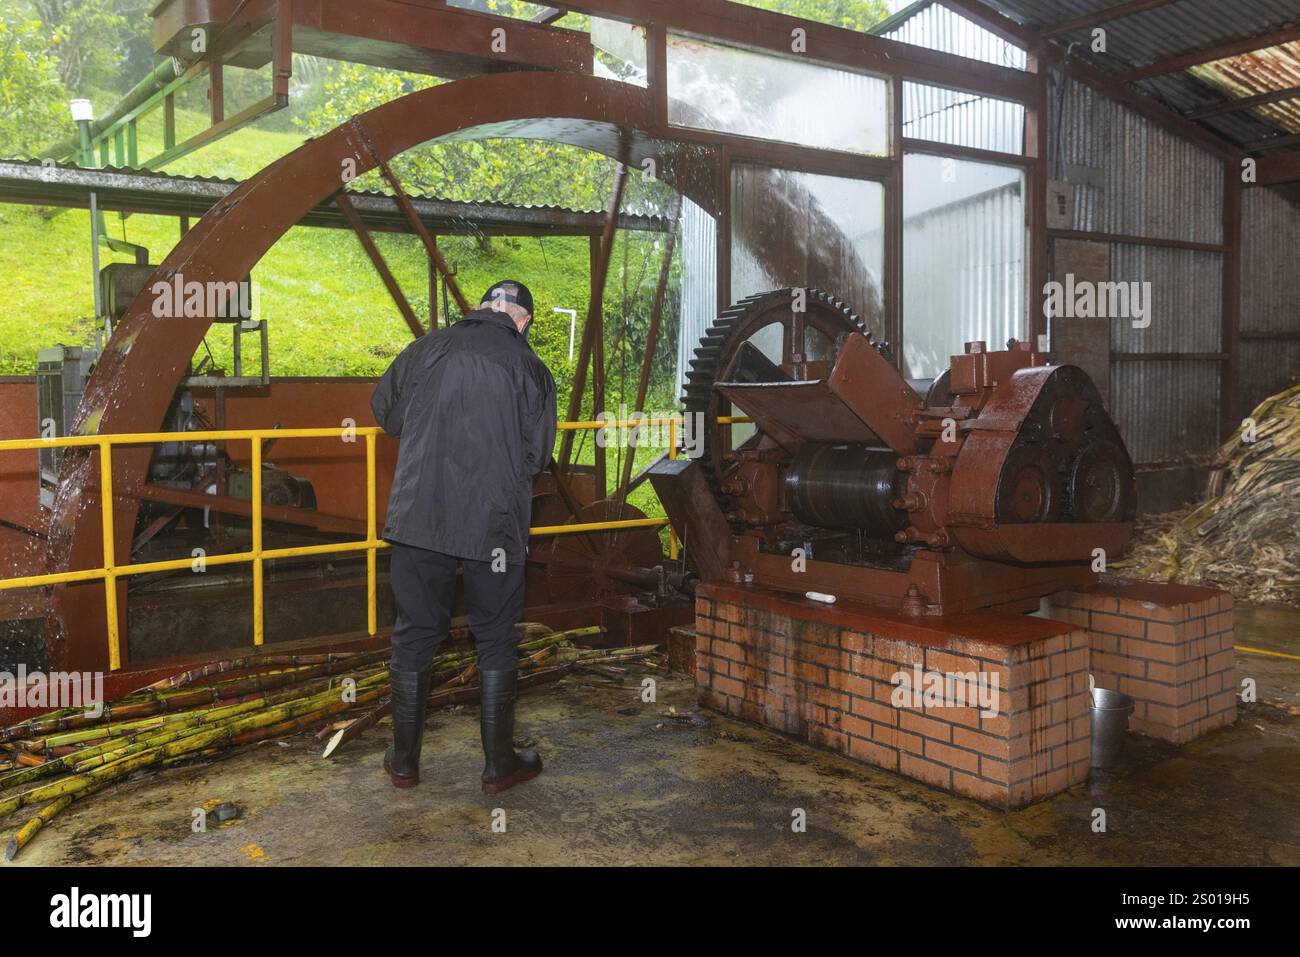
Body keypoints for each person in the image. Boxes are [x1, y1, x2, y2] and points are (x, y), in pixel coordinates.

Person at [371, 280, 556, 794]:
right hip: (492, 529)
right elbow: (537, 457)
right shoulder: (530, 369)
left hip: (418, 520)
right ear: (522, 320)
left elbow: (385, 413)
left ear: (480, 309)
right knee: (495, 636)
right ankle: (499, 765)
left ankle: (404, 762)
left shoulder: (428, 347)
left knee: (415, 634)